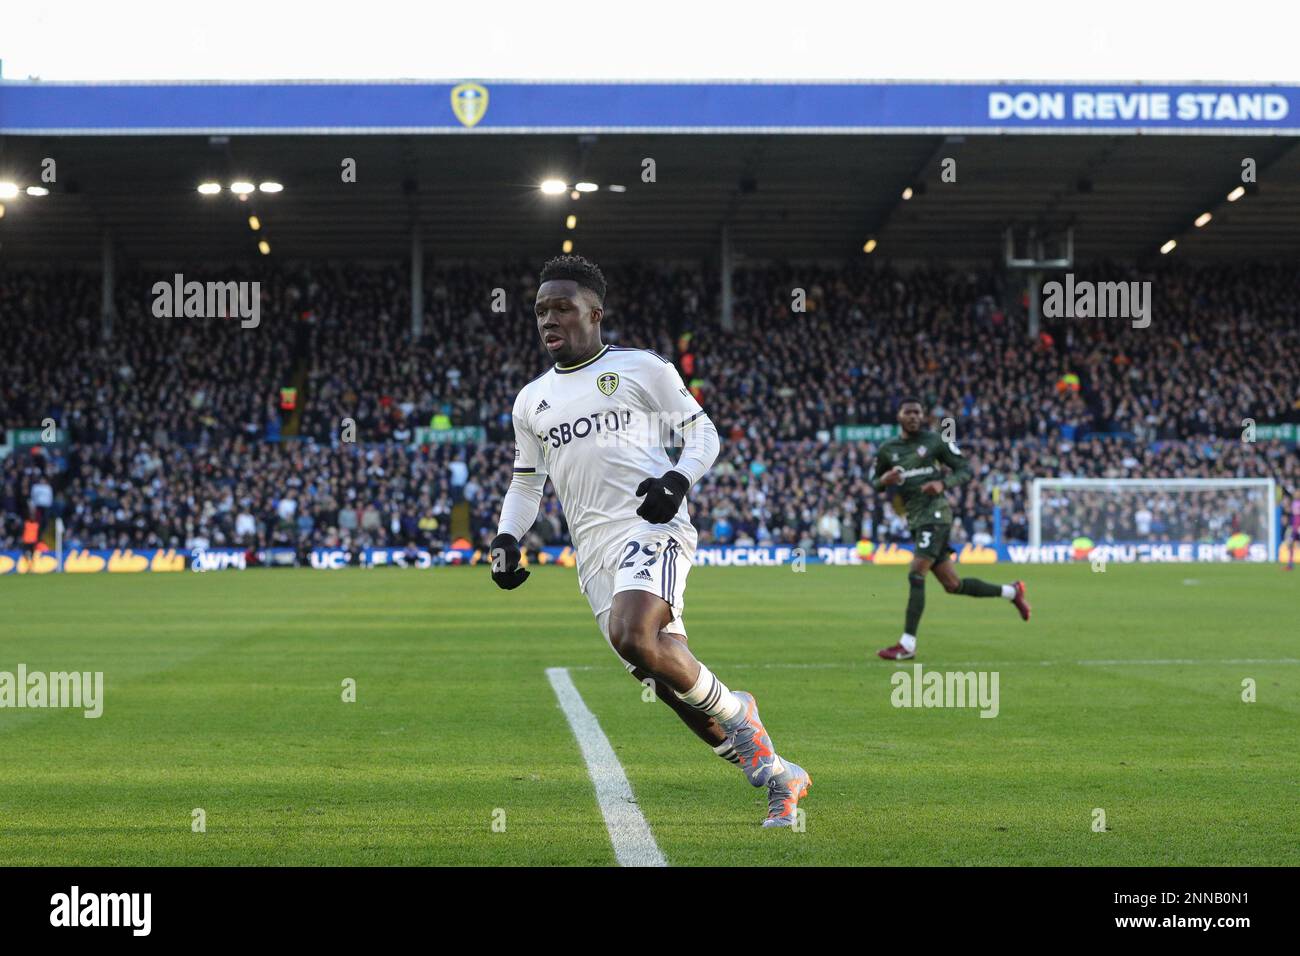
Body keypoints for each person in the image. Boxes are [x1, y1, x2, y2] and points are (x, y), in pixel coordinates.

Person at [489, 255, 810, 827]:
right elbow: (525, 481)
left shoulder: (642, 369)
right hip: (592, 555)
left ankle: (743, 720)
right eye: (540, 311)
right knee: (663, 678)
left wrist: (677, 480)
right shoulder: (530, 400)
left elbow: (701, 432)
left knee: (633, 634)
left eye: (562, 307)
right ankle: (778, 774)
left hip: (651, 523)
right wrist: (508, 537)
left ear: (595, 312)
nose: (548, 320)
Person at [873, 398, 1031, 660]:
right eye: (908, 412)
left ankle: (907, 645)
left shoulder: (935, 441)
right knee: (952, 584)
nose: (913, 416)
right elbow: (874, 482)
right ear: (898, 415)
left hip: (935, 514)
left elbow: (965, 468)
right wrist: (883, 480)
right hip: (915, 519)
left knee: (916, 574)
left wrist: (943, 484)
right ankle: (1012, 591)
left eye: (917, 412)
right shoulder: (888, 449)